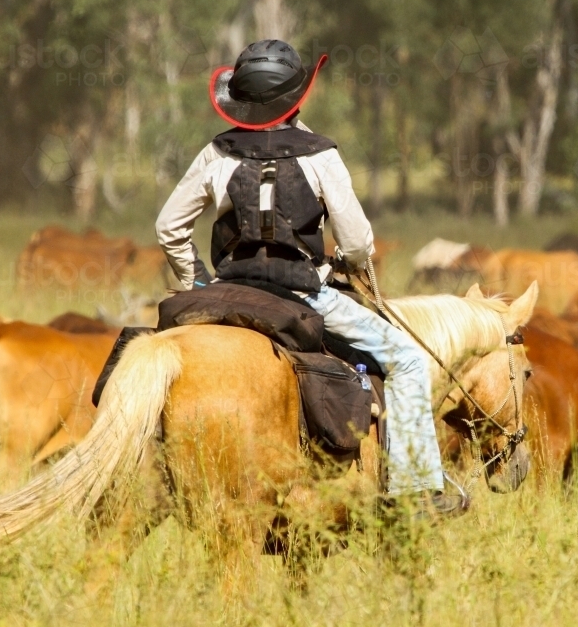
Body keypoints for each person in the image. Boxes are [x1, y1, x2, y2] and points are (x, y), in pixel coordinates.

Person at [154, 39, 465, 519]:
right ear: (296, 97)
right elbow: (359, 242)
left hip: (228, 289)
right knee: (404, 358)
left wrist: (196, 282)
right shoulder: (321, 154)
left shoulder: (216, 153)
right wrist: (345, 258)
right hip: (304, 294)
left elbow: (169, 228)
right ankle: (415, 490)